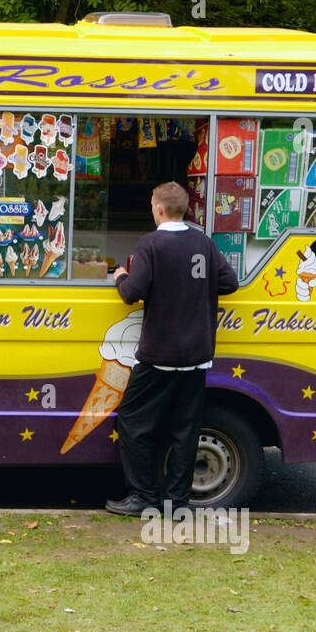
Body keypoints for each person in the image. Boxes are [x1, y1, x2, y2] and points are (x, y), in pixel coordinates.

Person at [105, 182, 239, 515]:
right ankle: (178, 502)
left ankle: (144, 496)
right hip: (196, 357)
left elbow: (132, 292)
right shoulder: (204, 243)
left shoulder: (152, 244)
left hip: (159, 356)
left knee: (134, 422)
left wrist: (121, 276)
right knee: (185, 431)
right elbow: (230, 283)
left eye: (152, 205)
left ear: (160, 209)